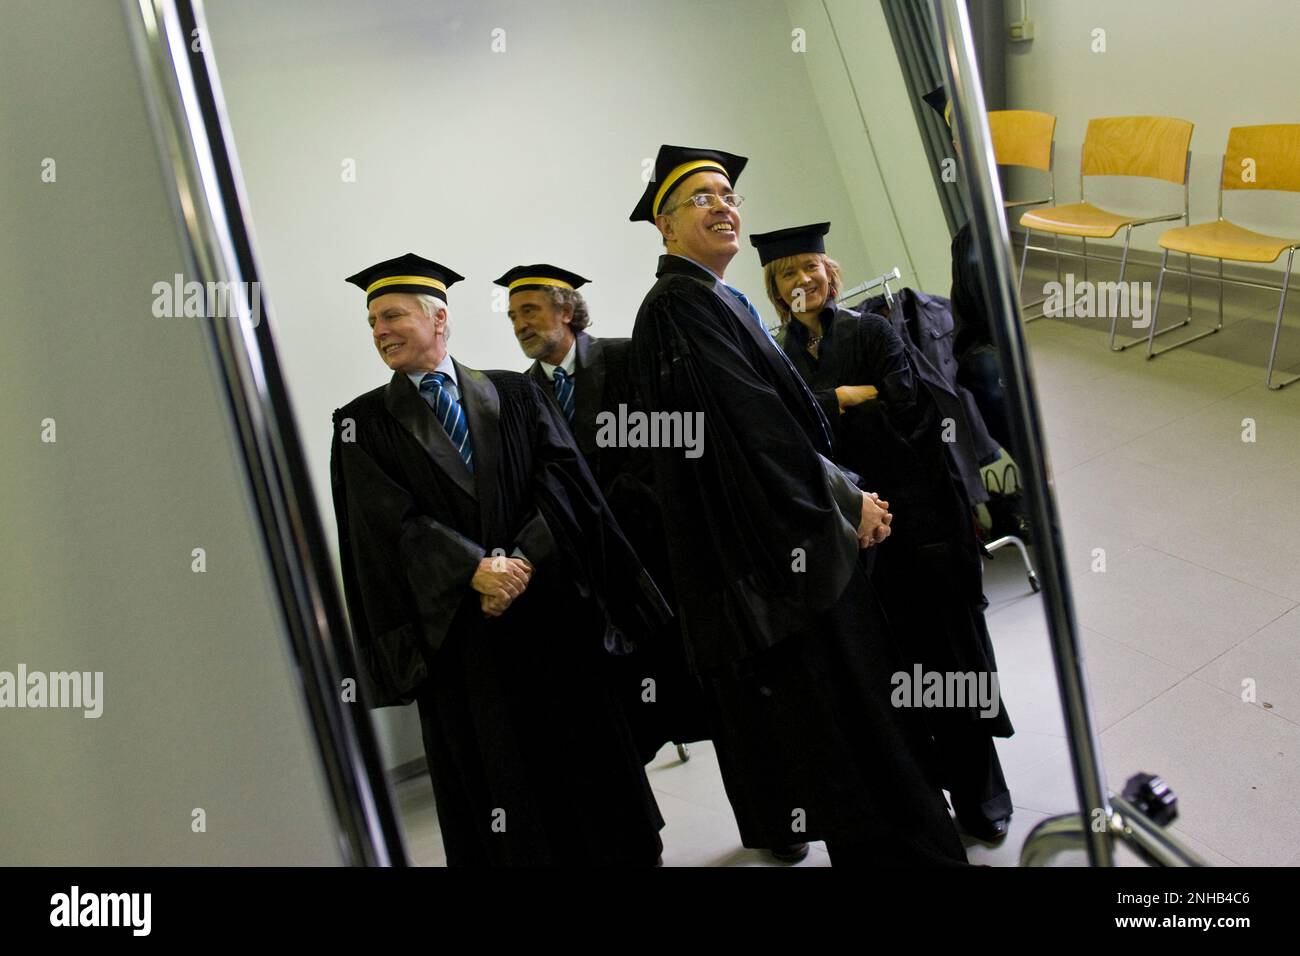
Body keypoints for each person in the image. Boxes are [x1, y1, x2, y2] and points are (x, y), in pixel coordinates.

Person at [627, 145, 967, 866]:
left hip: (795, 540)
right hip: (783, 559)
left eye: (728, 195)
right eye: (701, 199)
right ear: (664, 227)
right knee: (854, 731)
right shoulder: (678, 308)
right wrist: (843, 502)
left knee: (858, 730)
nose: (724, 206)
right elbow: (754, 432)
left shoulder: (715, 300)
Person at [330, 252, 669, 866]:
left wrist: (518, 560)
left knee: (584, 760)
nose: (379, 330)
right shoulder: (362, 426)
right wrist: (472, 568)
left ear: (439, 320)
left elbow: (564, 484)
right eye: (372, 321)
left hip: (550, 614)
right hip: (463, 636)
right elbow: (385, 528)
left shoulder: (513, 393)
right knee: (500, 780)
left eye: (392, 315)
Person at [752, 221, 1015, 842]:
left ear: (830, 271)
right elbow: (791, 439)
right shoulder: (776, 357)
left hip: (917, 523)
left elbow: (908, 410)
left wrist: (829, 406)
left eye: (810, 266)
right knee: (891, 678)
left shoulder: (872, 330)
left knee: (948, 660)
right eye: (786, 273)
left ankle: (983, 794)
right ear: (773, 288)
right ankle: (931, 804)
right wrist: (845, 396)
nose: (802, 280)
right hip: (850, 539)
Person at [497, 263, 711, 763]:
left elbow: (672, 444)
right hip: (596, 573)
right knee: (627, 708)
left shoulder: (628, 357)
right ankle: (643, 838)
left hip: (660, 552)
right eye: (512, 316)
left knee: (708, 693)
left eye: (529, 310)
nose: (520, 325)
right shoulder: (521, 397)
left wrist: (619, 502)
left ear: (567, 309)